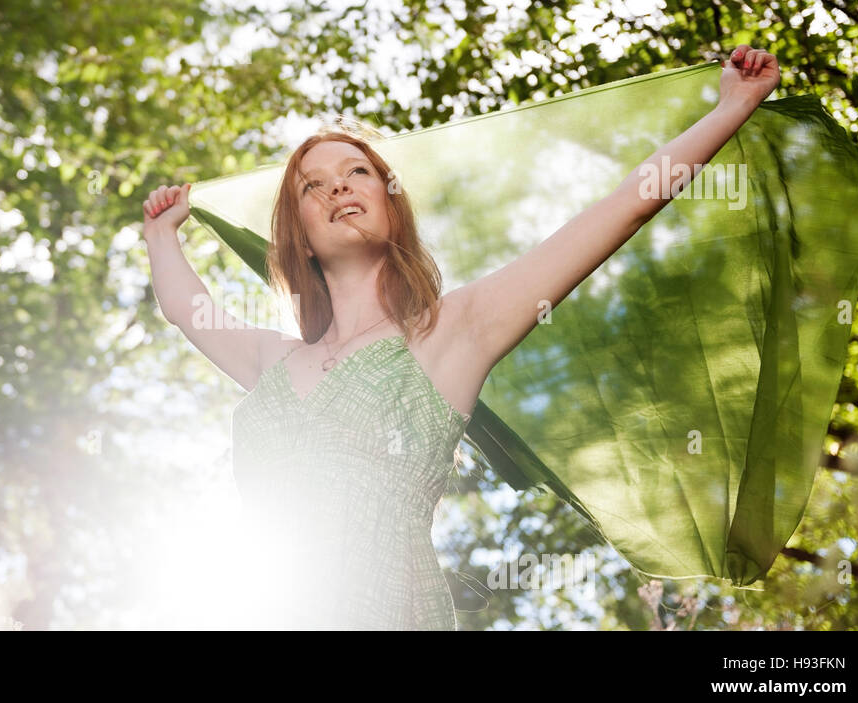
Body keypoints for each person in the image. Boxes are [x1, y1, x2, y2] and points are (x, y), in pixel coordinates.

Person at [141, 45, 781, 629]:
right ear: (300, 236)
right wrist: (162, 233)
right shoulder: (271, 360)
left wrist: (734, 105)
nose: (336, 184)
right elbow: (185, 308)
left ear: (391, 204)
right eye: (312, 185)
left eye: (357, 171)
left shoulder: (453, 333)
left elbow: (625, 206)